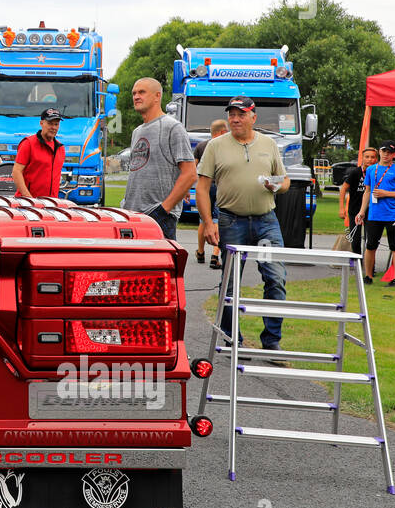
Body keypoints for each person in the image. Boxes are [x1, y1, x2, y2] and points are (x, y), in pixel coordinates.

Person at [195, 96, 291, 357]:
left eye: (241, 114)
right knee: (230, 284)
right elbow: (202, 188)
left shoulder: (268, 144)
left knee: (276, 278)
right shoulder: (215, 146)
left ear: (253, 117)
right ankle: (232, 339)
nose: (235, 119)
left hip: (266, 223)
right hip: (231, 221)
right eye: (232, 114)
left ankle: (271, 341)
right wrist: (208, 223)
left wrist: (277, 185)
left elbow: (285, 181)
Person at [120, 78, 195, 240]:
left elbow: (190, 174)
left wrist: (163, 209)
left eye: (142, 92)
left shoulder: (172, 127)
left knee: (160, 264)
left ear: (157, 96)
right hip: (133, 214)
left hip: (158, 216)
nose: (136, 96)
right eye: (134, 93)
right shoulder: (137, 131)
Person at [354, 140, 395, 285]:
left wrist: (387, 193)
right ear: (379, 152)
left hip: (392, 214)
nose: (386, 154)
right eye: (384, 151)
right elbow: (367, 191)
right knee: (370, 245)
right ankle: (368, 276)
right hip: (374, 214)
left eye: (389, 152)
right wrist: (361, 212)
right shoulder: (371, 170)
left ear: (394, 155)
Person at [193, 118, 228, 266]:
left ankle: (200, 252)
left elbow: (193, 169)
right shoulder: (224, 146)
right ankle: (215, 254)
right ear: (222, 132)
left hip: (204, 187)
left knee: (204, 220)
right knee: (218, 220)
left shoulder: (201, 146)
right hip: (220, 186)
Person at [12, 108, 66, 199]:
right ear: (41, 123)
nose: (53, 127)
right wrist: (29, 199)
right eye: (50, 123)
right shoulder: (28, 143)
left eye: (56, 124)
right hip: (27, 204)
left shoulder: (60, 148)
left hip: (51, 205)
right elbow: (16, 172)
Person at [340, 147, 378, 258]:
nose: (370, 160)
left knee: (370, 240)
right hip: (355, 210)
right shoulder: (355, 172)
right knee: (355, 239)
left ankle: (370, 266)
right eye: (367, 157)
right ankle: (356, 263)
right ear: (362, 158)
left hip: (372, 211)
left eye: (373, 157)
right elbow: (343, 189)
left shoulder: (378, 172)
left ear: (376, 159)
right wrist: (341, 208)